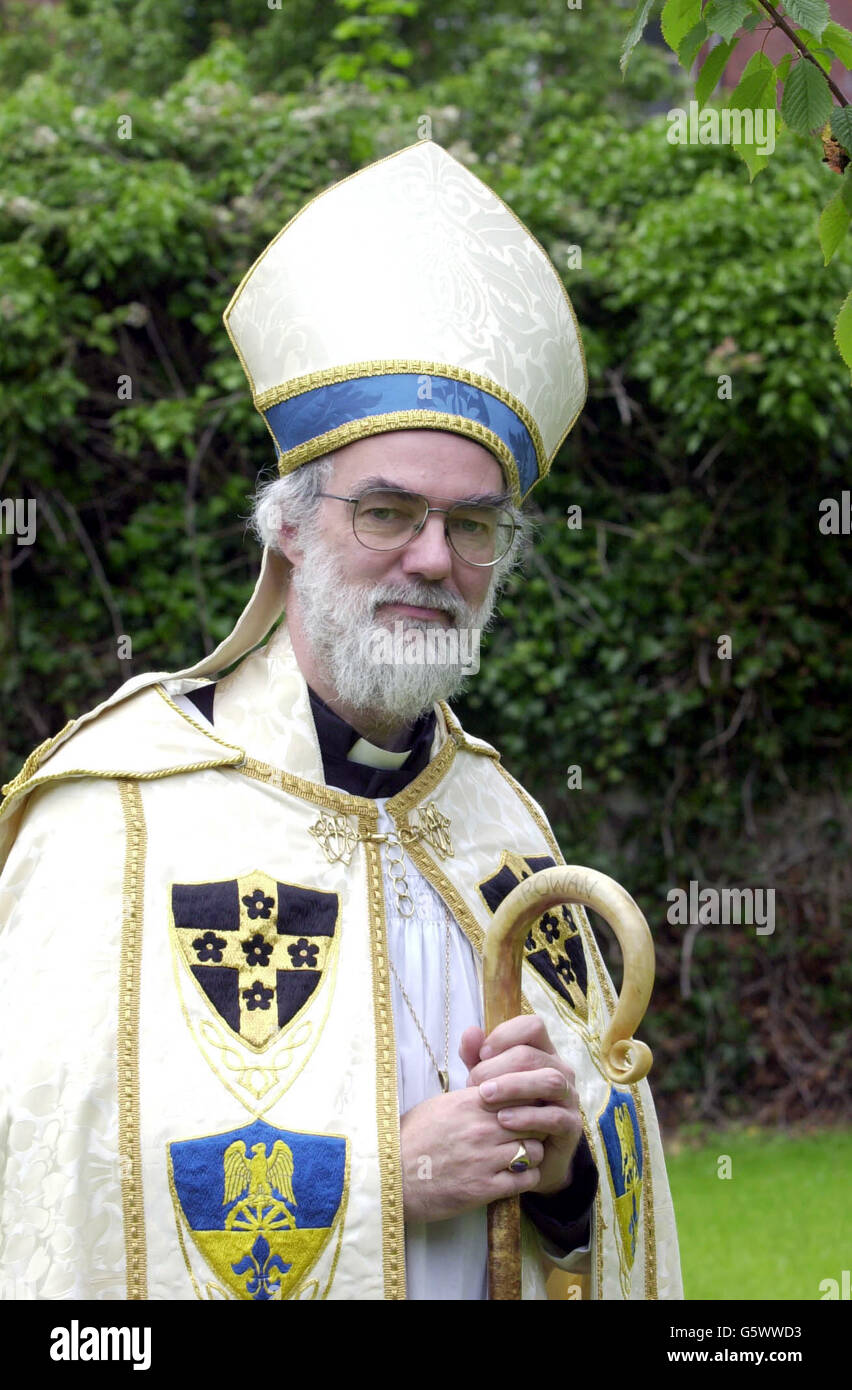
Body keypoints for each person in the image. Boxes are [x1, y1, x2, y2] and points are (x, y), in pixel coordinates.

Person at [0, 140, 682, 1300]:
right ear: (289, 530)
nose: (433, 557)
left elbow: (606, 1201)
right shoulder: (115, 811)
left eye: (473, 527)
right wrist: (386, 1180)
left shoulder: (500, 822)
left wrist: (562, 1169)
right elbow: (53, 1186)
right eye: (387, 511)